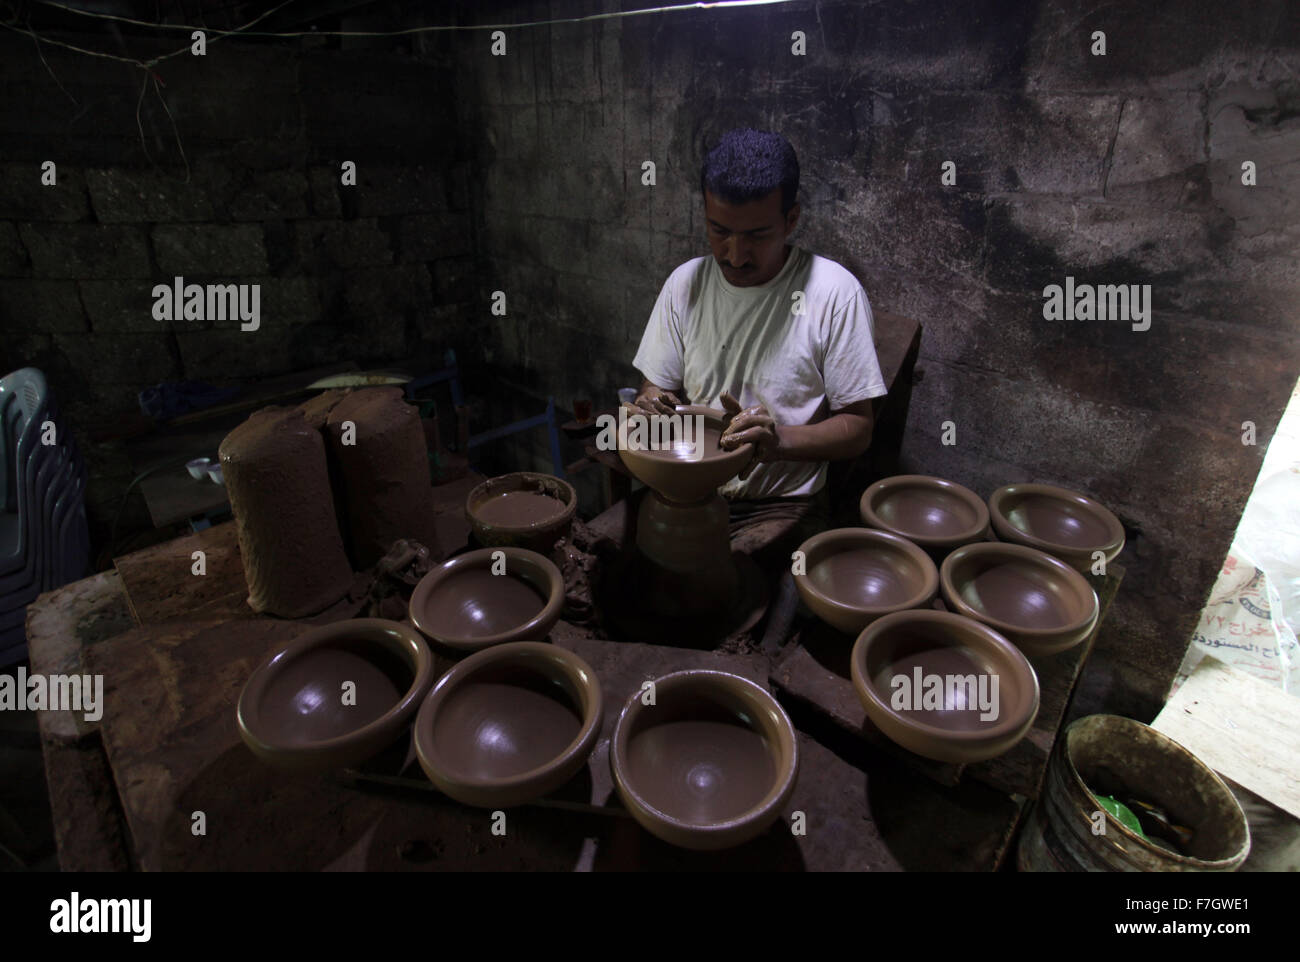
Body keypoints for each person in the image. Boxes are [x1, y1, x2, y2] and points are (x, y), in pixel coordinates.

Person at [631, 128, 888, 564]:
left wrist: (779, 441)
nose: (735, 255)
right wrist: (651, 405)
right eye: (719, 231)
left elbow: (858, 428)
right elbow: (653, 389)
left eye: (756, 235)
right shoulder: (685, 284)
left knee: (726, 596)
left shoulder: (833, 293)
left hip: (782, 502)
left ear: (791, 220)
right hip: (691, 487)